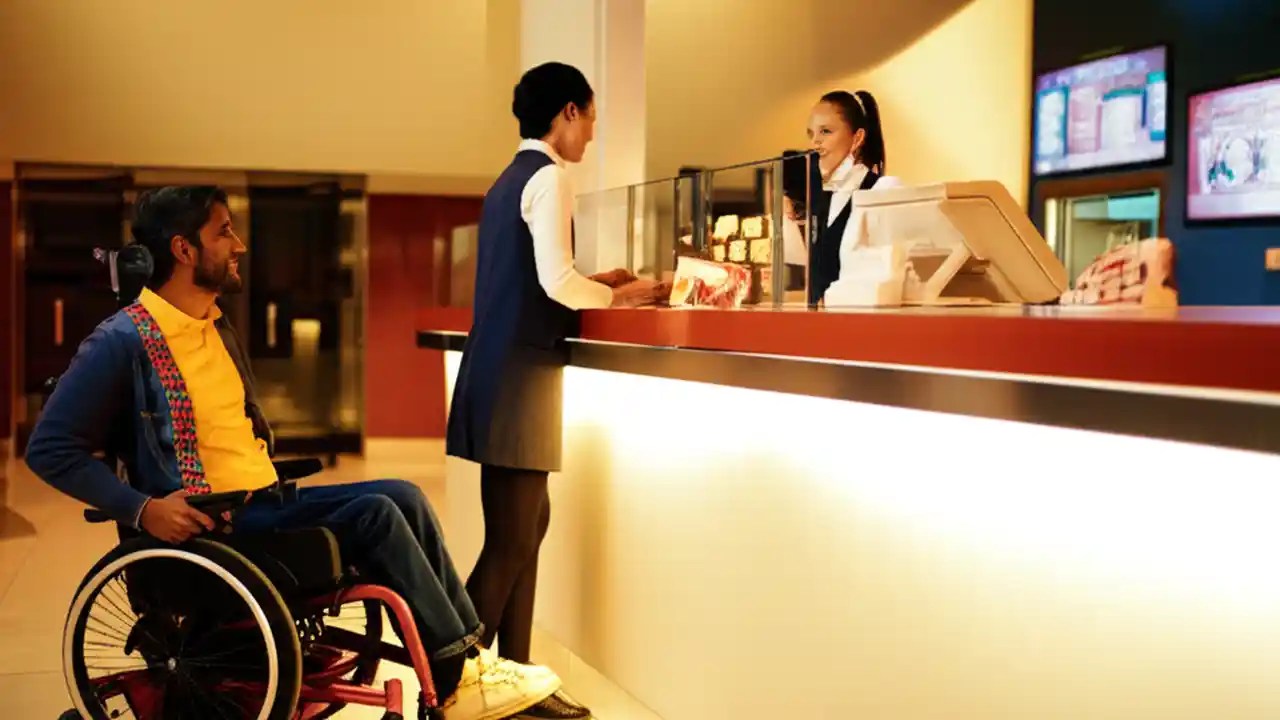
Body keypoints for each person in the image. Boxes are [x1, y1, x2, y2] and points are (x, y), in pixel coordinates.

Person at [25, 186, 559, 720]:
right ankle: (457, 678)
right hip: (215, 527)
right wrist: (144, 509)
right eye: (224, 231)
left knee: (404, 495)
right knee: (376, 516)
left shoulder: (216, 325)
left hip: (262, 501)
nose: (239, 245)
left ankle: (466, 662)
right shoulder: (123, 341)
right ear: (184, 250)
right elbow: (50, 448)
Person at [446, 61, 660, 720]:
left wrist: (595, 279)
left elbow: (541, 275)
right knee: (514, 536)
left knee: (526, 526)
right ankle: (456, 683)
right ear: (567, 112)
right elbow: (556, 284)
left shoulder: (508, 179)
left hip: (501, 369)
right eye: (590, 116)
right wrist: (620, 294)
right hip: (520, 375)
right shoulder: (549, 177)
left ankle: (513, 685)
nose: (592, 132)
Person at [792, 90, 902, 306]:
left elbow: (886, 277)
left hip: (859, 326)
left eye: (825, 131)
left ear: (858, 137)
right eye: (811, 134)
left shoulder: (881, 192)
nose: (815, 142)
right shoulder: (819, 197)